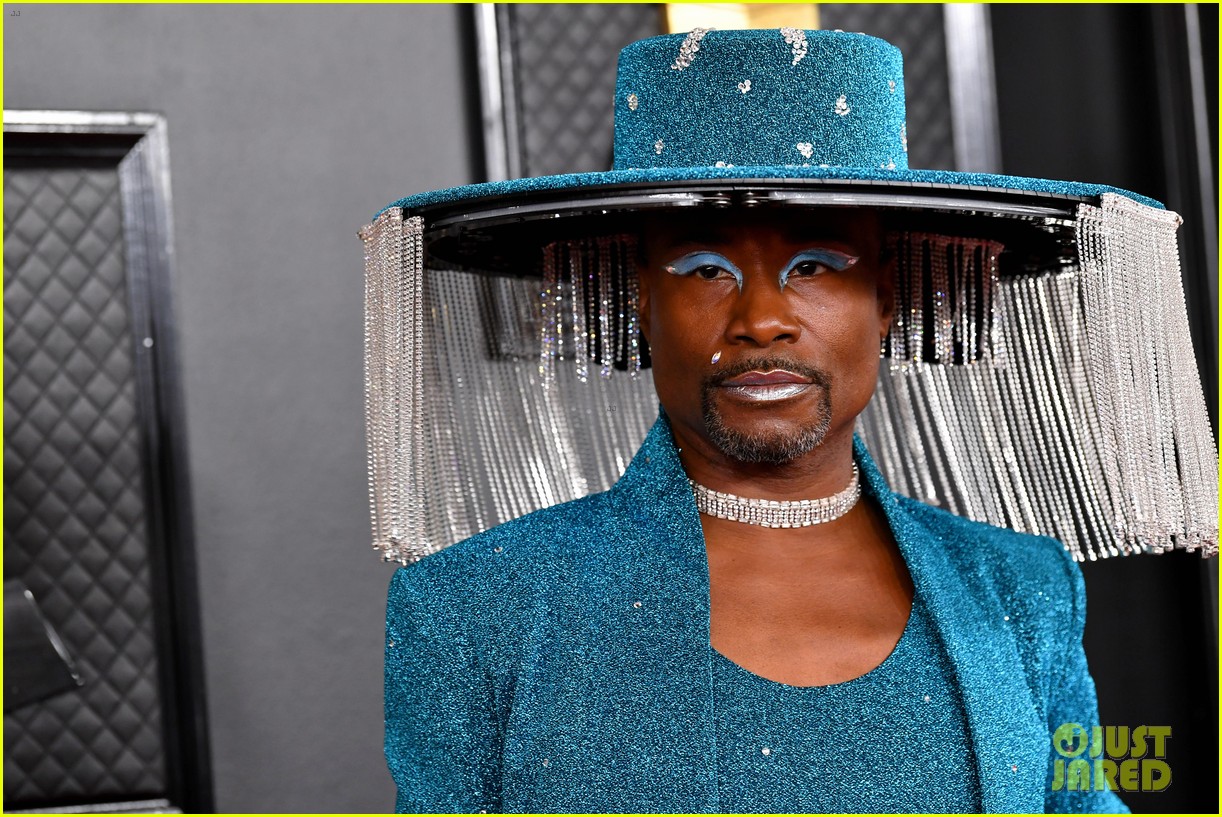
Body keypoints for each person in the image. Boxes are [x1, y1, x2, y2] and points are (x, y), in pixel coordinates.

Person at [367, 28, 1214, 814]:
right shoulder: (471, 609)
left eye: (816, 263)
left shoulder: (1022, 589)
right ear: (641, 303)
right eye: (705, 267)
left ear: (886, 298)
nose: (762, 319)